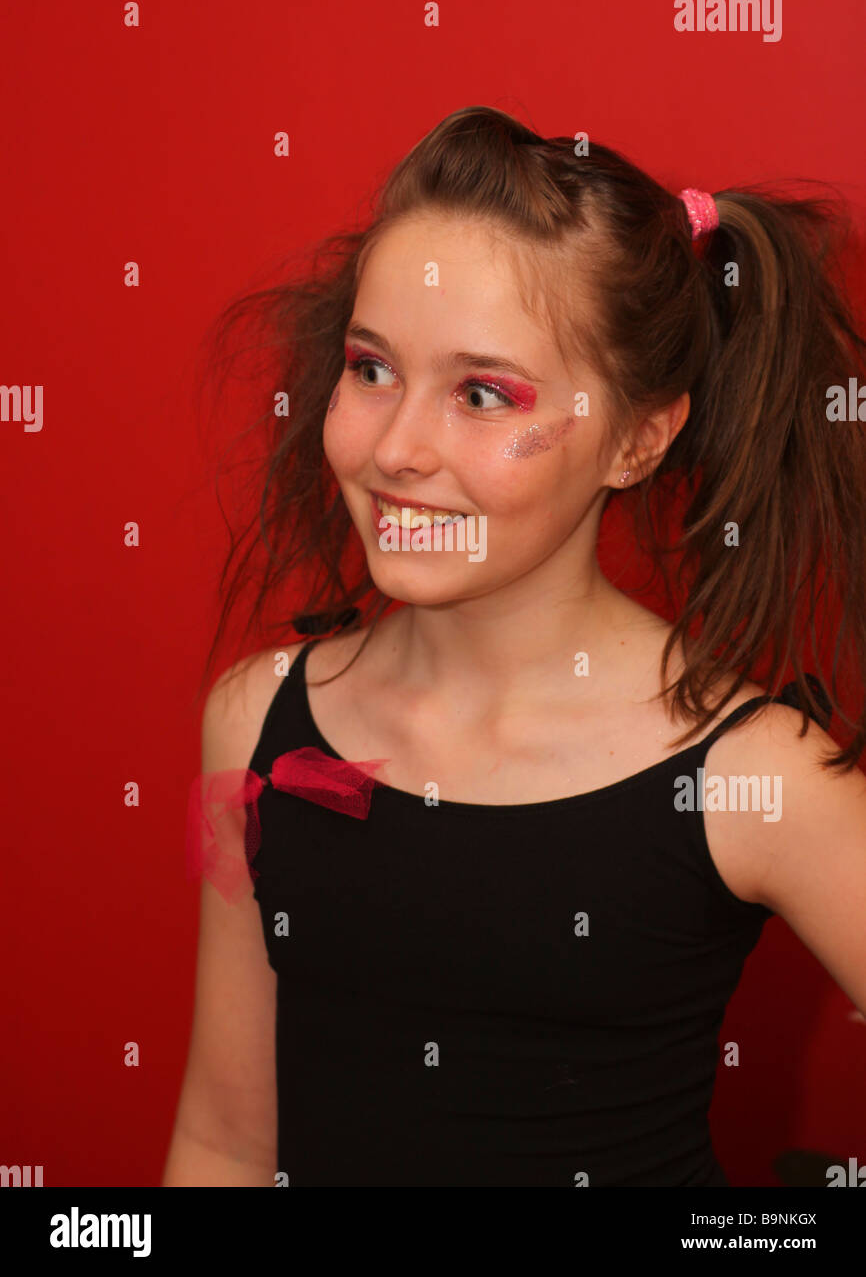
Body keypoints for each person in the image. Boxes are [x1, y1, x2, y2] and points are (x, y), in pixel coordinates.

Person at [163, 106, 866, 1187]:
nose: (396, 449)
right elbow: (225, 1138)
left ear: (637, 437)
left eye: (483, 393)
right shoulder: (254, 718)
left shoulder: (750, 772)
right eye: (370, 368)